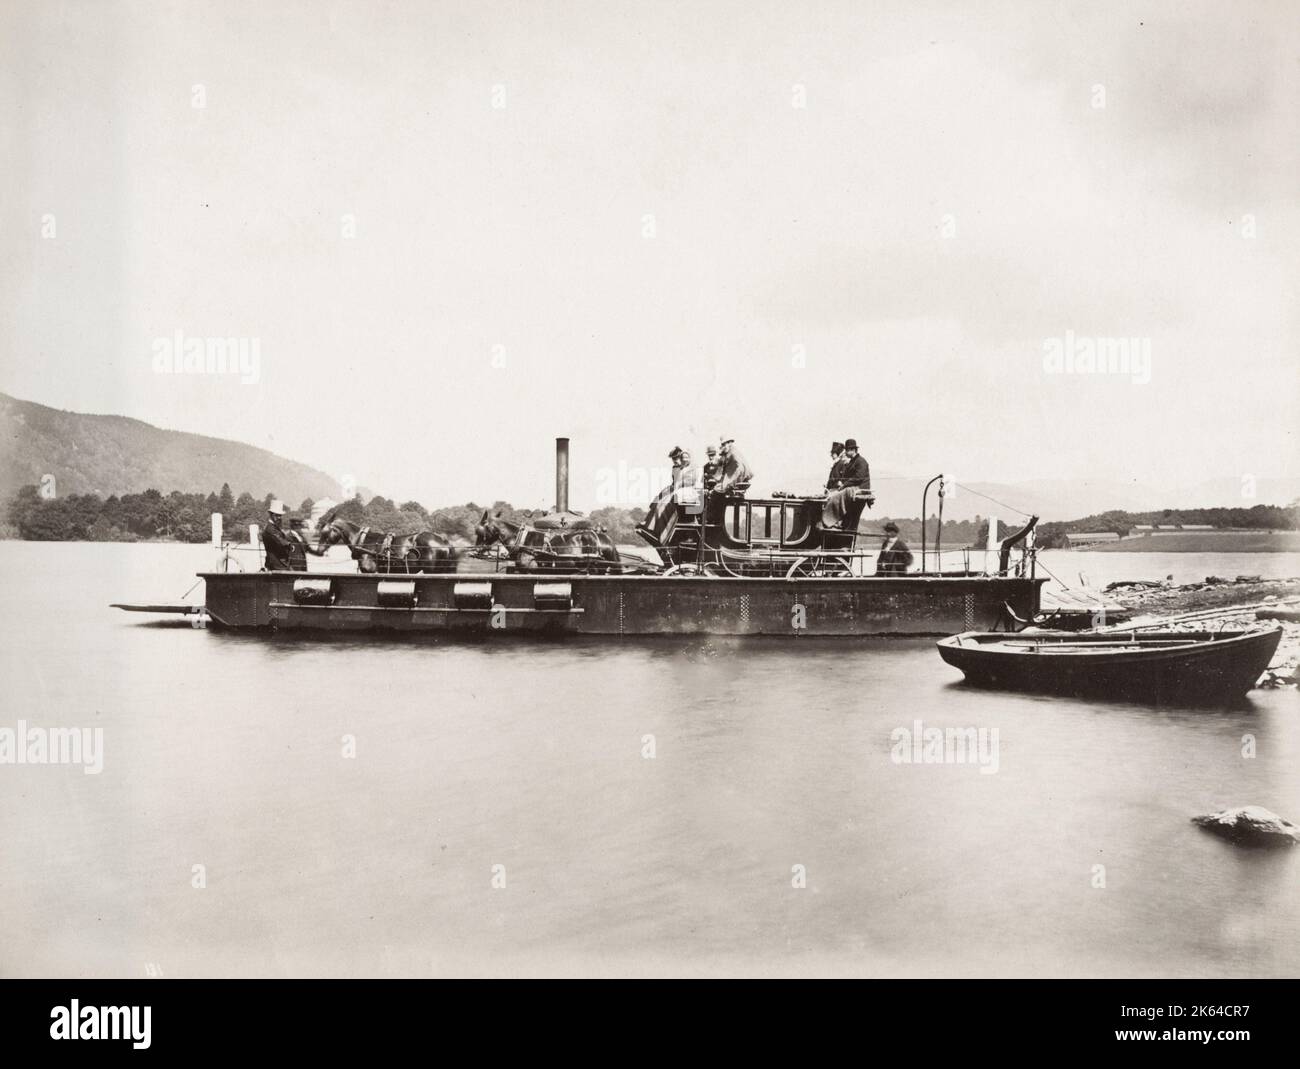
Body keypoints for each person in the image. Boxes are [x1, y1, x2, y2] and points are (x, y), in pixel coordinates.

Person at [821, 438, 873, 528]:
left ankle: (830, 520)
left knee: (837, 496)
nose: (845, 452)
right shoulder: (852, 462)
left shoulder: (861, 461)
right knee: (834, 494)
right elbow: (848, 477)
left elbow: (858, 478)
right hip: (853, 486)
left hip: (860, 487)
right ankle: (834, 520)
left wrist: (844, 485)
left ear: (853, 450)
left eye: (847, 450)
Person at [261, 499, 298, 570]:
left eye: (280, 515)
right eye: (277, 515)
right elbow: (281, 541)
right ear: (271, 515)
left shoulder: (275, 528)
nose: (279, 518)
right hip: (277, 564)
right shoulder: (270, 529)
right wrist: (290, 545)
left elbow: (282, 538)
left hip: (281, 562)